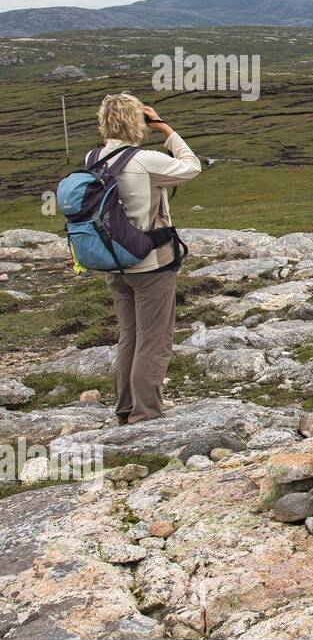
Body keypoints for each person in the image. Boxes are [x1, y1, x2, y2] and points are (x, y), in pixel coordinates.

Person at [91, 93, 202, 425]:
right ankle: (146, 414)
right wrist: (166, 129)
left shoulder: (94, 157)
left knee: (130, 335)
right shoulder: (144, 160)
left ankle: (126, 408)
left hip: (115, 262)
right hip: (150, 263)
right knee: (154, 339)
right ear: (136, 121)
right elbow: (191, 167)